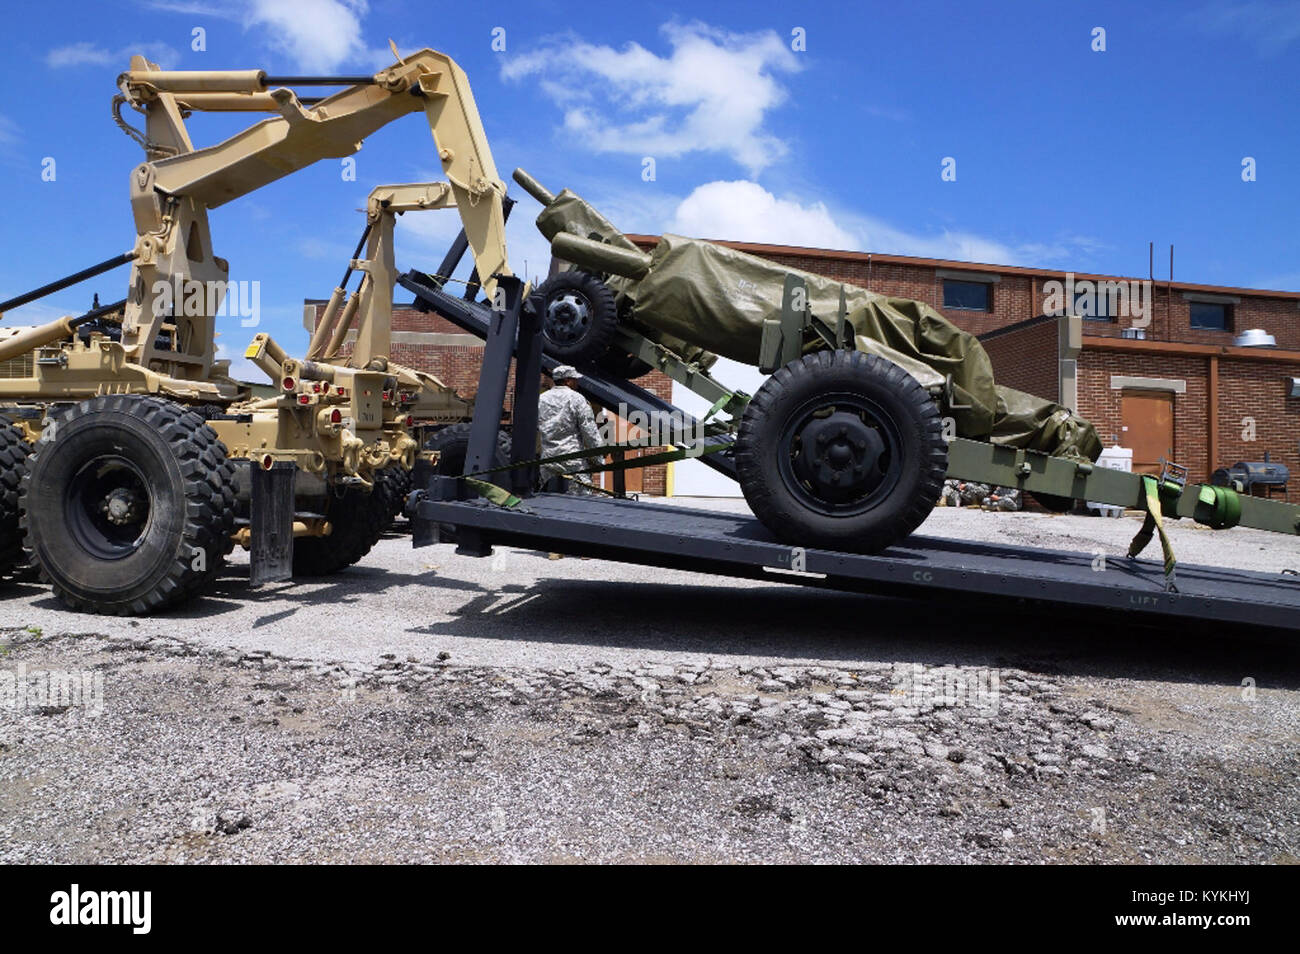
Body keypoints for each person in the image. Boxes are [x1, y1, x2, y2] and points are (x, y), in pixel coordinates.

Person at [537, 365, 603, 493]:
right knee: (581, 496)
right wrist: (597, 458)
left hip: (548, 458)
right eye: (575, 379)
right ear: (567, 380)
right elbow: (589, 431)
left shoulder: (541, 399)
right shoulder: (576, 399)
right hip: (572, 459)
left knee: (548, 498)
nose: (577, 383)